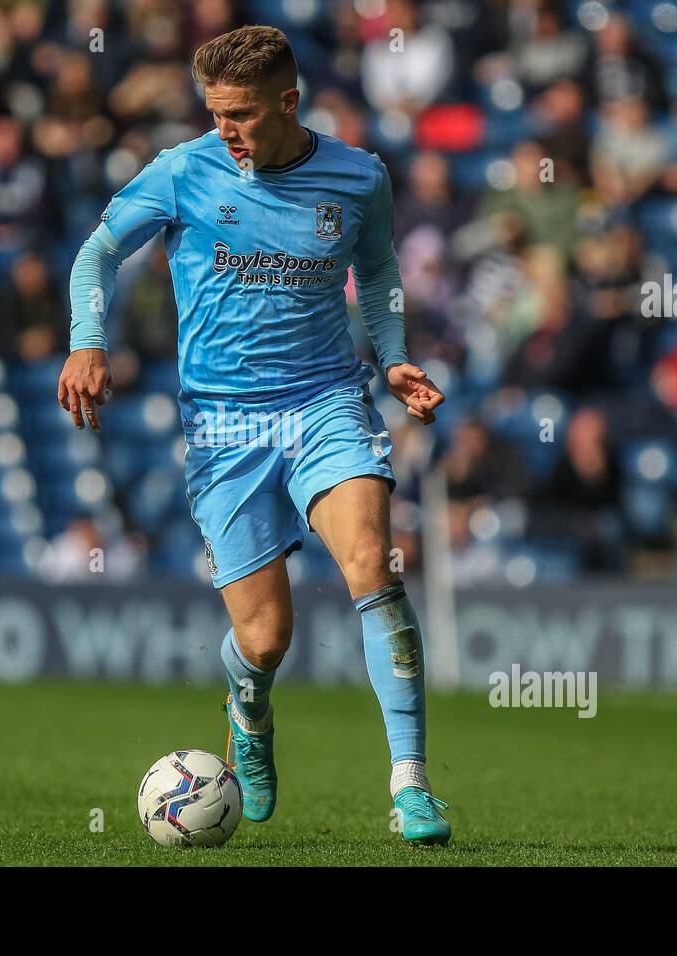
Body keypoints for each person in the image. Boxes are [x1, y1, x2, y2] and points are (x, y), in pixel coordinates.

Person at [58, 26, 450, 845]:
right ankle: (247, 707)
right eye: (214, 112)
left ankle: (411, 785)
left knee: (374, 567)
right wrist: (86, 340)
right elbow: (96, 254)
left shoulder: (357, 176)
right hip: (224, 425)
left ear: (288, 102)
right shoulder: (183, 171)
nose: (224, 129)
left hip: (324, 402)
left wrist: (395, 359)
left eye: (238, 113)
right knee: (266, 637)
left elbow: (376, 271)